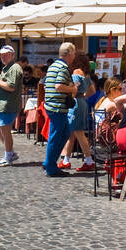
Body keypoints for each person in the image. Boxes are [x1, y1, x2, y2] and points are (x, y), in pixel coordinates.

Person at [42, 43, 77, 177]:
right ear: (68, 53)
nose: (74, 56)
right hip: (57, 107)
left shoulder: (53, 66)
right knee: (57, 136)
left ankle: (48, 162)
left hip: (51, 105)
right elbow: (58, 86)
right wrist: (73, 89)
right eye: (73, 53)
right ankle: (51, 166)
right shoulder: (63, 67)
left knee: (61, 134)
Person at [0, 45, 22, 167]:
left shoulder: (14, 68)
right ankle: (11, 152)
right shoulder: (7, 68)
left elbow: (11, 86)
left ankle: (8, 155)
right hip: (1, 104)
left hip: (7, 104)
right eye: (1, 55)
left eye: (6, 55)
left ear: (12, 55)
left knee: (5, 131)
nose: (3, 57)